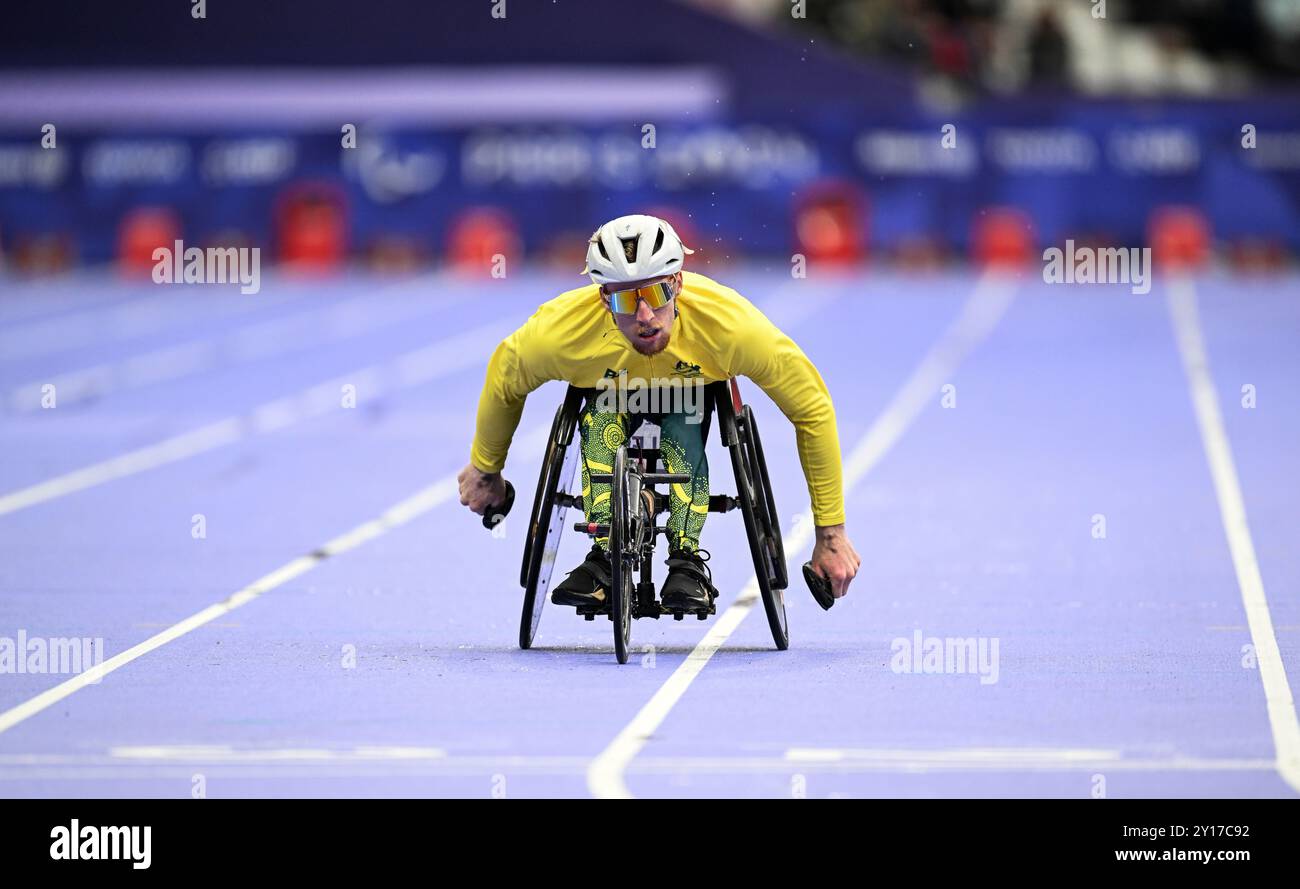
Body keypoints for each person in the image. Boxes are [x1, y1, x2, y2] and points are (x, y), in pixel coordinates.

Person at [458, 214, 859, 610]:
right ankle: (605, 554)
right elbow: (503, 378)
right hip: (608, 398)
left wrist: (831, 534)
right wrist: (486, 468)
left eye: (655, 294)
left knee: (682, 425)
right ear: (603, 298)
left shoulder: (730, 327)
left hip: (690, 399)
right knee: (600, 423)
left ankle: (686, 560)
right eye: (626, 300)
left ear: (678, 283)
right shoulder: (559, 333)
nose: (644, 316)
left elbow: (812, 409)